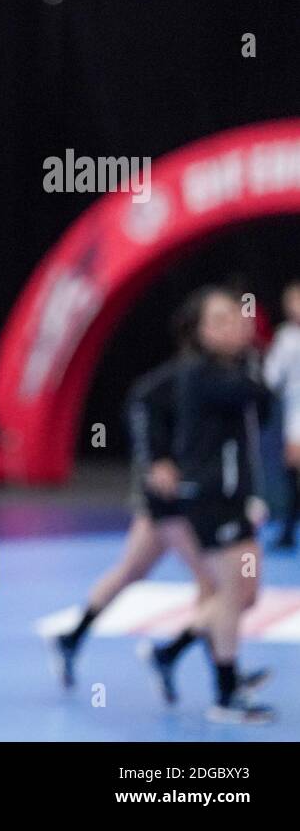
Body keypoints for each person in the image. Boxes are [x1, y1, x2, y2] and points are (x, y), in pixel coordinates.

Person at [48, 297, 232, 702]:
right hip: (171, 500)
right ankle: (193, 663)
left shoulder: (222, 376)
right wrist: (155, 460)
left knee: (131, 571)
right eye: (219, 321)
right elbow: (140, 402)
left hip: (180, 498)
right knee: (217, 586)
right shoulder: (181, 375)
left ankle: (71, 638)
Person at [139, 286, 275, 724]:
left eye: (235, 317)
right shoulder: (203, 373)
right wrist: (156, 459)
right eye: (219, 321)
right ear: (198, 331)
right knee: (232, 592)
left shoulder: (231, 368)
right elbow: (258, 393)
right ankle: (225, 693)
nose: (233, 326)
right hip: (212, 498)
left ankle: (170, 652)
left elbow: (262, 408)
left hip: (234, 497)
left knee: (244, 594)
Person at [263, 280, 300, 549]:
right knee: (292, 468)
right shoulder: (285, 337)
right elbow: (271, 377)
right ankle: (287, 531)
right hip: (296, 412)